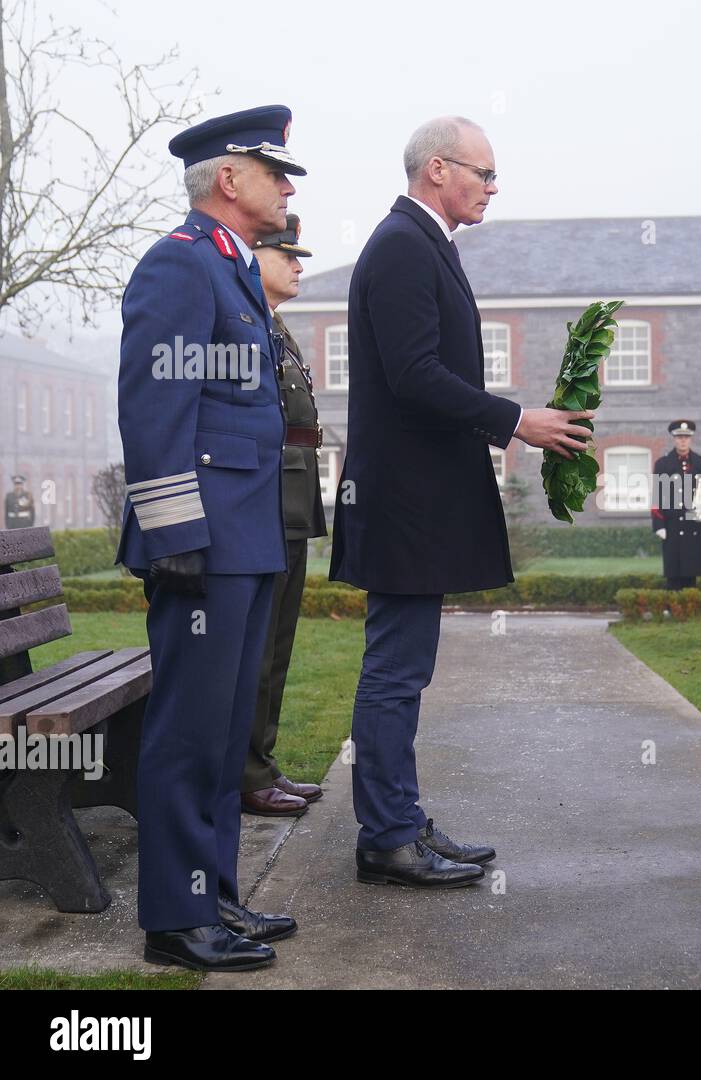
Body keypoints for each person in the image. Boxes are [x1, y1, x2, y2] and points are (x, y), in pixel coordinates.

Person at [329, 116, 593, 888]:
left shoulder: (424, 242)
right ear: (437, 169)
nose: (492, 187)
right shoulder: (404, 245)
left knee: (405, 669)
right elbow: (414, 375)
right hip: (405, 501)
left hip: (417, 498)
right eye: (483, 172)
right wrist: (517, 420)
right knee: (394, 671)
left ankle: (400, 820)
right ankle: (386, 835)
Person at [117, 105, 305, 971]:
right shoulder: (181, 264)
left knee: (227, 738)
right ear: (229, 179)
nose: (289, 183)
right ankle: (174, 921)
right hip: (204, 540)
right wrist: (174, 534)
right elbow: (156, 409)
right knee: (190, 732)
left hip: (246, 536)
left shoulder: (232, 269)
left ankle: (215, 898)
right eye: (275, 170)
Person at [241, 214, 328, 816]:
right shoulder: (247, 328)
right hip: (264, 499)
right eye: (286, 254)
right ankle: (247, 774)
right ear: (256, 256)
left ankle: (263, 763)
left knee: (281, 641)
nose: (298, 265)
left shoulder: (277, 329)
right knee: (259, 644)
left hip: (291, 496)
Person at [651, 420, 701, 590]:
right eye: (679, 437)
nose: (683, 440)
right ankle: (673, 607)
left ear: (691, 439)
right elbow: (657, 496)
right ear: (674, 439)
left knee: (691, 571)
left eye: (686, 437)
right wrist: (659, 524)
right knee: (673, 572)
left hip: (692, 524)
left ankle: (689, 607)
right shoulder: (663, 464)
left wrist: (698, 512)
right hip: (671, 525)